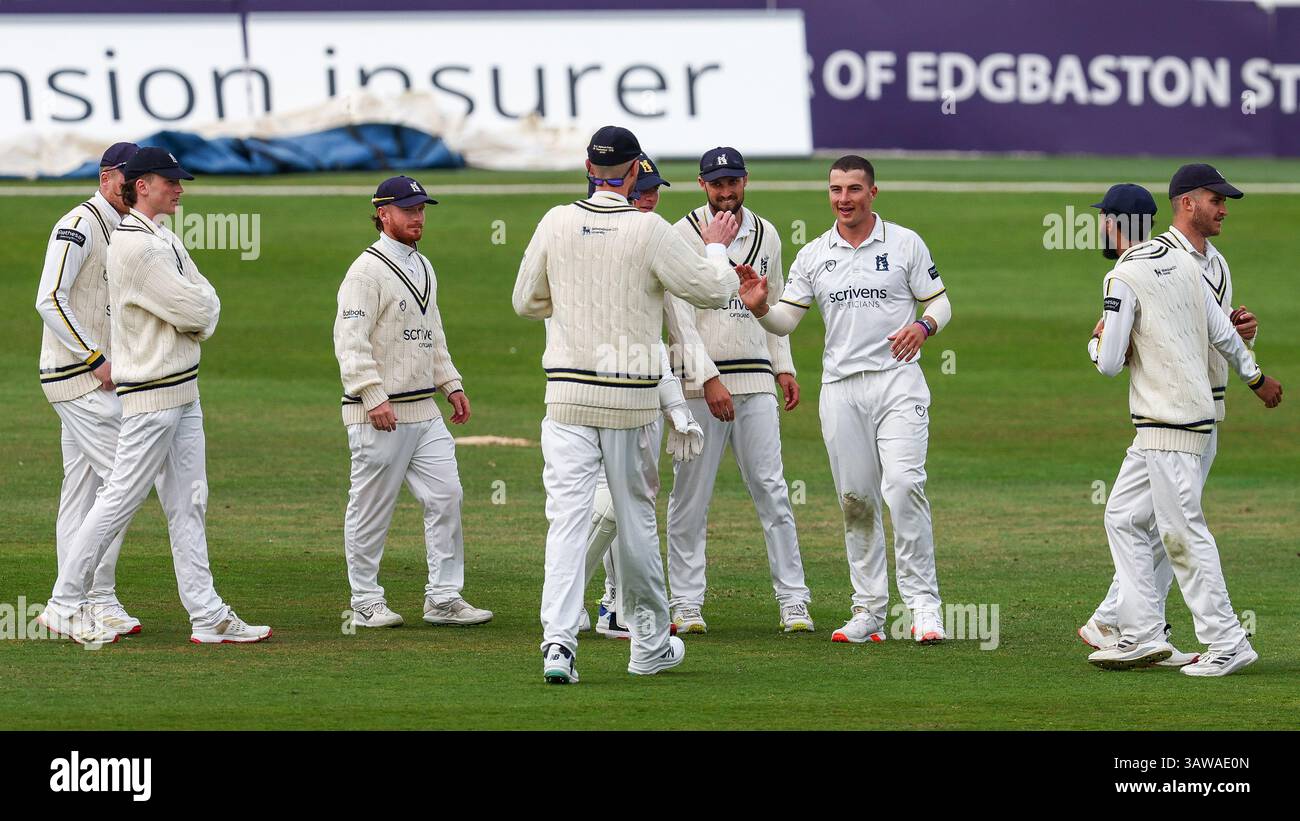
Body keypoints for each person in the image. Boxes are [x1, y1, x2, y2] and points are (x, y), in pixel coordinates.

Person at [513, 125, 740, 683]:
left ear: (589, 169)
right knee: (635, 523)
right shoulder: (651, 230)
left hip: (565, 398)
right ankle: (648, 646)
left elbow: (525, 300)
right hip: (631, 403)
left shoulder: (555, 221)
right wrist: (714, 245)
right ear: (636, 170)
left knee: (566, 522)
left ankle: (559, 645)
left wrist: (570, 306)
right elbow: (713, 290)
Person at [37, 147, 271, 646]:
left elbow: (203, 295)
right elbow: (198, 311)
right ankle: (68, 602)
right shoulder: (127, 241)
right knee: (118, 492)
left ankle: (204, 615)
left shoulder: (159, 235)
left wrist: (201, 303)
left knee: (178, 499)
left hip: (173, 386)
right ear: (138, 183)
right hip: (123, 383)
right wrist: (95, 359)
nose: (181, 188)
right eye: (172, 181)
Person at [737, 155, 954, 645]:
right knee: (856, 500)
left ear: (872, 192)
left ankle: (924, 608)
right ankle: (869, 611)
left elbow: (940, 300)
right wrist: (760, 309)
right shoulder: (815, 254)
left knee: (902, 486)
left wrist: (924, 326)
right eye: (836, 189)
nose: (844, 199)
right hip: (840, 390)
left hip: (897, 381)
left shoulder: (904, 243)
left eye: (854, 189)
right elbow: (785, 323)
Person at [1082, 182, 1281, 676]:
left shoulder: (1123, 274)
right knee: (1124, 517)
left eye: (1104, 219)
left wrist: (1098, 341)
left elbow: (1108, 365)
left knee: (1181, 533)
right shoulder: (1188, 267)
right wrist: (1255, 378)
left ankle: (1227, 641)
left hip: (1168, 419)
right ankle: (1142, 633)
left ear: (1116, 223)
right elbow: (1223, 333)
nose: (1101, 227)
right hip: (1186, 416)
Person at [664, 146, 811, 634]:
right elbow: (680, 318)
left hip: (756, 380)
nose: (725, 193)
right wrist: (708, 379)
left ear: (745, 181)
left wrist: (783, 366)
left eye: (733, 182)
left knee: (773, 491)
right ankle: (685, 604)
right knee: (691, 497)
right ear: (701, 185)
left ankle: (794, 602)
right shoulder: (679, 234)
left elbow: (775, 297)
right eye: (716, 184)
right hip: (698, 386)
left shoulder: (767, 232)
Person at [334, 176, 491, 629]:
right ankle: (365, 599)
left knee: (446, 496)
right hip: (378, 413)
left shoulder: (423, 266)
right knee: (371, 506)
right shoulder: (365, 271)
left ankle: (443, 596)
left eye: (421, 209)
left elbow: (432, 334)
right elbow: (349, 340)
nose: (418, 217)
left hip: (424, 410)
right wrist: (372, 394)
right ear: (383, 214)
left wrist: (451, 383)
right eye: (408, 210)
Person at [578, 150, 692, 639]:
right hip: (589, 394)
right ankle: (571, 603)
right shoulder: (581, 239)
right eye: (642, 193)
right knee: (611, 506)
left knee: (632, 505)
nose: (648, 201)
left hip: (638, 394)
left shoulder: (650, 241)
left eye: (653, 193)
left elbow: (653, 341)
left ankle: (616, 605)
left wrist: (675, 405)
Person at [34, 142, 144, 636]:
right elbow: (50, 297)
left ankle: (92, 599)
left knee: (82, 491)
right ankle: (81, 602)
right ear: (105, 178)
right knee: (122, 483)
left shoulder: (130, 227)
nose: (137, 186)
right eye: (129, 177)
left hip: (99, 378)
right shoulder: (78, 225)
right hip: (79, 377)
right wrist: (94, 358)